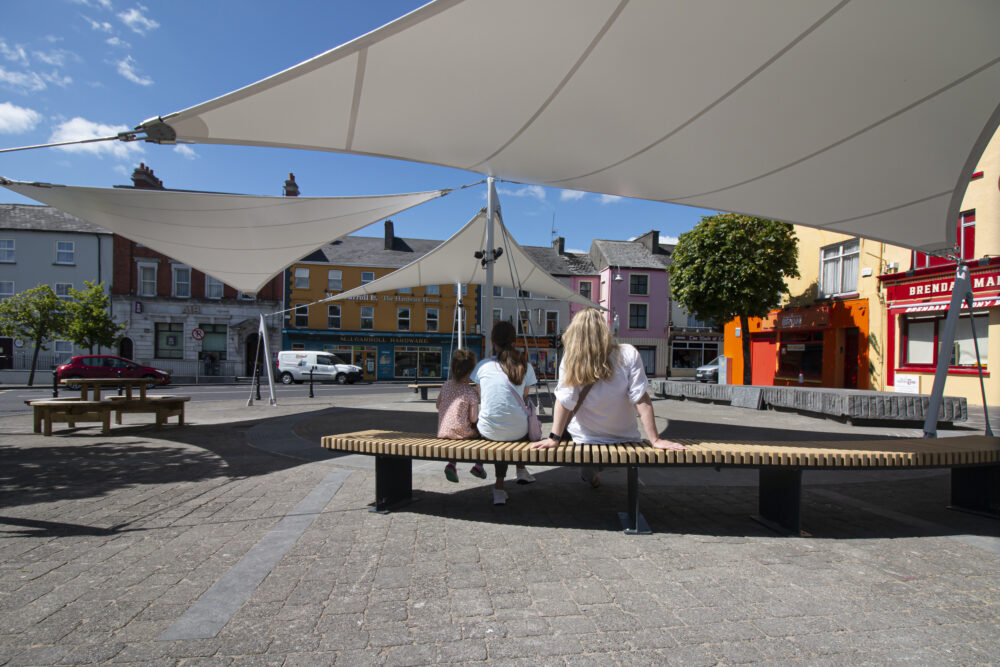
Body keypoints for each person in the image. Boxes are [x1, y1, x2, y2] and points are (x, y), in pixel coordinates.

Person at [531, 308, 685, 487]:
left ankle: (592, 473)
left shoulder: (571, 358)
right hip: (624, 435)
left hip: (585, 437)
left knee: (587, 459)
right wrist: (655, 440)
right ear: (604, 329)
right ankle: (597, 472)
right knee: (599, 458)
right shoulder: (628, 353)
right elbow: (641, 399)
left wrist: (554, 438)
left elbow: (564, 401)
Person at [471, 320, 537, 505]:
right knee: (515, 425)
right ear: (514, 341)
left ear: (493, 342)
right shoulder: (525, 366)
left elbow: (480, 396)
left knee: (498, 432)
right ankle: (521, 469)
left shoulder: (483, 366)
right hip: (518, 432)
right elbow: (524, 397)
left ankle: (499, 488)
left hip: (488, 431)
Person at [436, 348, 487, 482]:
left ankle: (452, 464)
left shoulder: (445, 385)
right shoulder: (470, 392)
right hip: (462, 433)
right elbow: (473, 418)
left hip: (443, 431)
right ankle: (478, 465)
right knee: (483, 432)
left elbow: (437, 405)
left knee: (455, 436)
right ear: (470, 372)